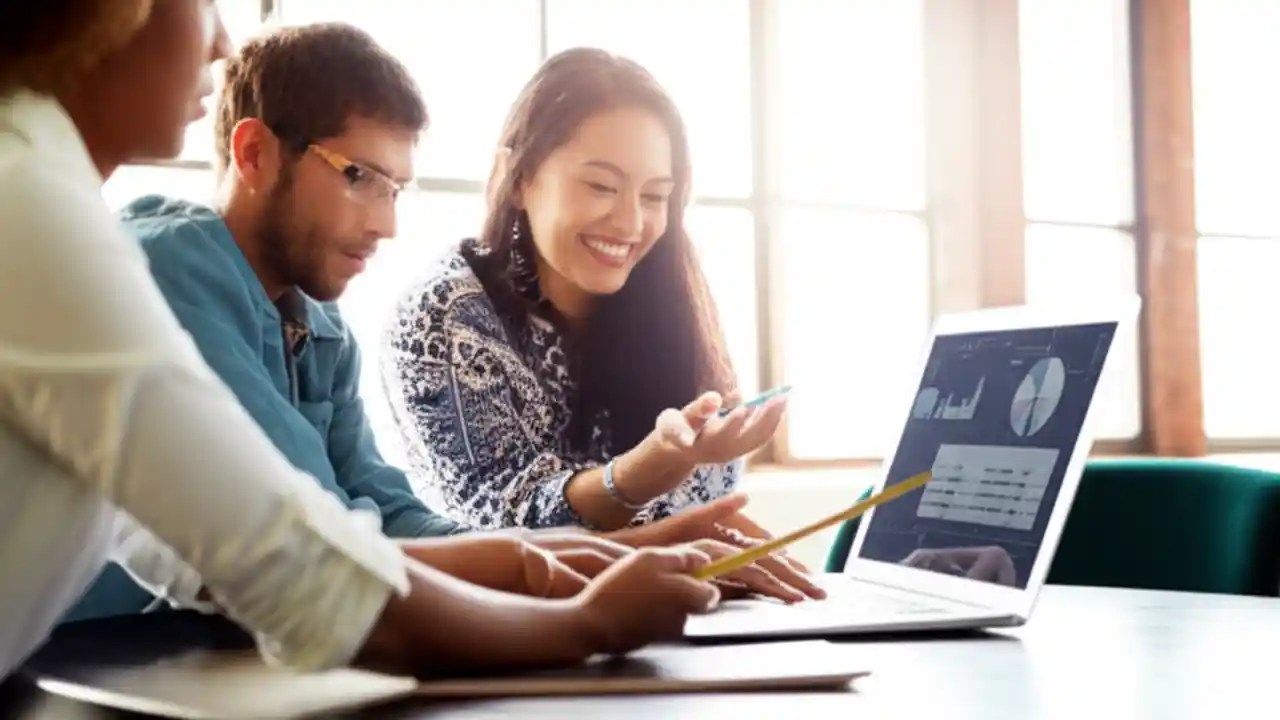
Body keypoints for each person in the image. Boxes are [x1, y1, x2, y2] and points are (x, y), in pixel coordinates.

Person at [0, 0, 724, 681]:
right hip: (99, 667)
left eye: (396, 188)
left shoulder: (310, 319)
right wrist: (587, 618)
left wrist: (596, 554)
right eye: (359, 178)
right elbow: (295, 563)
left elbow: (338, 527)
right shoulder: (57, 218)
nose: (221, 42)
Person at [382, 48, 812, 585]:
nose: (631, 223)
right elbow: (502, 528)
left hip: (668, 614)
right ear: (516, 177)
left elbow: (706, 512)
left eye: (655, 196)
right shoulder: (446, 318)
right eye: (601, 187)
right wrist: (651, 473)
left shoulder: (665, 299)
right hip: (508, 629)